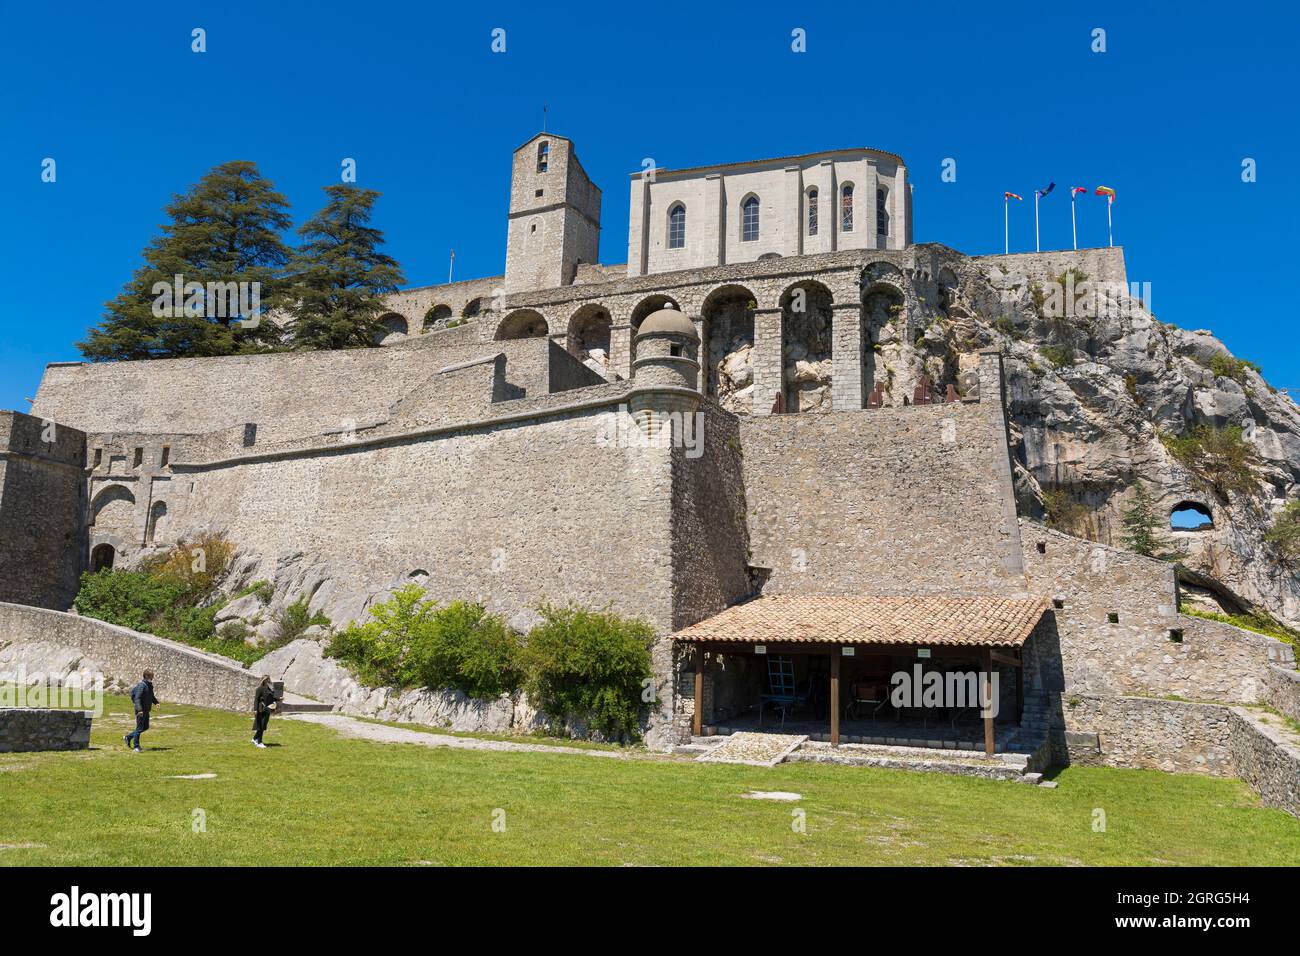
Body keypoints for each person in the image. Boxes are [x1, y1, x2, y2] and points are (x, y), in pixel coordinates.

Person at [124, 670, 159, 752]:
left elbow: (151, 696)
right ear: (146, 676)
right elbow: (137, 698)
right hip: (141, 711)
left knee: (145, 727)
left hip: (146, 710)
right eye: (151, 676)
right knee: (139, 728)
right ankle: (136, 747)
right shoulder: (141, 685)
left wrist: (156, 702)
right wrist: (139, 709)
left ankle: (128, 737)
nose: (152, 677)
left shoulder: (149, 685)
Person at [251, 676, 277, 748]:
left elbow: (272, 698)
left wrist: (278, 699)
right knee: (261, 726)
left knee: (263, 726)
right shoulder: (259, 689)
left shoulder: (270, 689)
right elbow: (256, 700)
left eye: (269, 679)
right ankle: (259, 742)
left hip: (267, 709)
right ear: (264, 680)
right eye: (267, 680)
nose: (269, 681)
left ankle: (254, 738)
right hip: (261, 709)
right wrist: (255, 709)